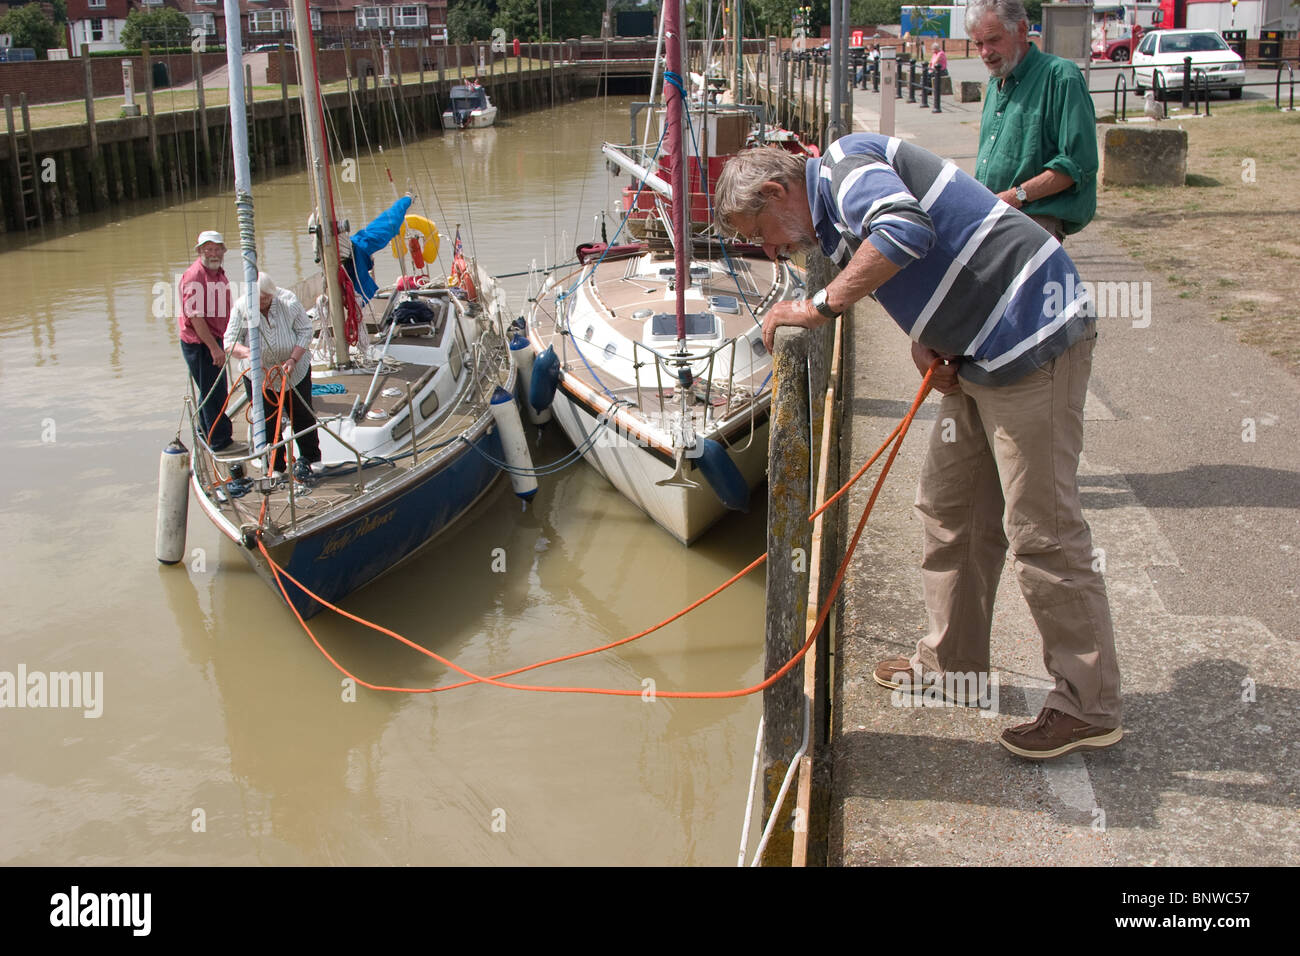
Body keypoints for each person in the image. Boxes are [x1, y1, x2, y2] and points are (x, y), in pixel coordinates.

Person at [715, 137, 1122, 760]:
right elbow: (913, 262)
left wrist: (819, 306)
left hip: (1030, 341)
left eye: (763, 232)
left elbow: (906, 230)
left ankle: (1088, 704)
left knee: (1044, 530)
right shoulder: (832, 214)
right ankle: (951, 667)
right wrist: (925, 335)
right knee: (948, 509)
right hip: (976, 354)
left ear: (778, 191)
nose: (772, 250)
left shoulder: (848, 166)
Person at [967, 0, 1097, 241]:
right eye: (978, 44)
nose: (985, 52)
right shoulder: (997, 83)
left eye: (993, 40)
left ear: (1022, 30)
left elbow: (1077, 164)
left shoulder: (1060, 77)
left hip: (1031, 224)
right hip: (995, 220)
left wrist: (1016, 196)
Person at [223, 273, 320, 481]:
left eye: (266, 298)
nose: (262, 303)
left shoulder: (288, 301)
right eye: (258, 300)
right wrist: (249, 354)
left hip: (295, 370)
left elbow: (305, 330)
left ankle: (311, 458)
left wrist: (293, 360)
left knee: (303, 415)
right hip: (259, 377)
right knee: (267, 421)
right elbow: (229, 342)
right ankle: (275, 466)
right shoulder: (242, 308)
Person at [178, 230, 237, 452]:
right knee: (215, 391)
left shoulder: (217, 272)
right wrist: (214, 348)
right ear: (200, 251)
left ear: (222, 251)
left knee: (212, 389)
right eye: (208, 249)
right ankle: (220, 441)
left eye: (216, 249)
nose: (213, 253)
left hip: (216, 337)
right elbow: (195, 317)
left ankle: (205, 432)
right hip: (201, 343)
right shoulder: (195, 276)